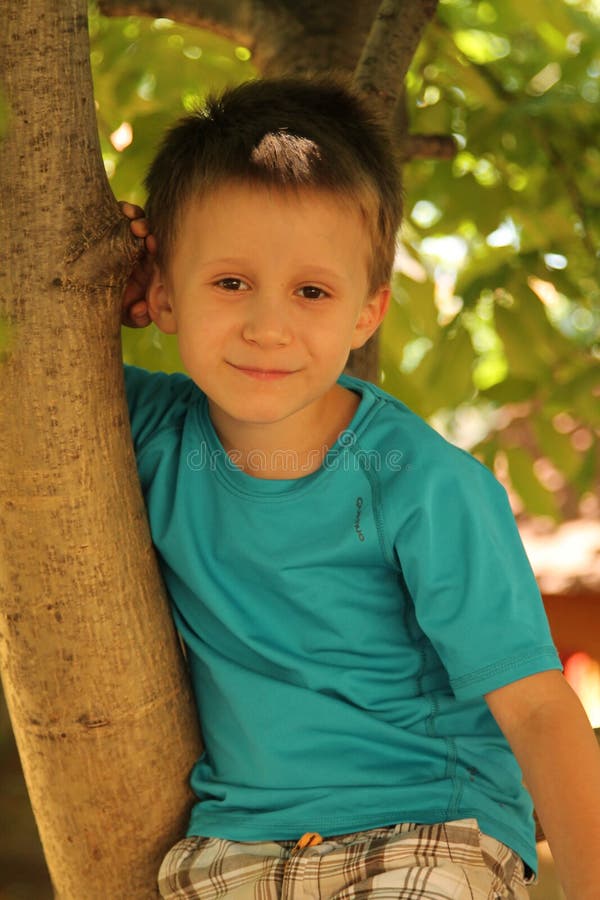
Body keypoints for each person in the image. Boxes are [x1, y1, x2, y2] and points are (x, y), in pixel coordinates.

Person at [120, 77, 600, 899]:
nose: (268, 326)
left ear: (367, 313)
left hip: (426, 831)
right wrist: (96, 281)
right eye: (230, 282)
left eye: (311, 292)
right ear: (162, 291)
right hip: (235, 847)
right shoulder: (138, 428)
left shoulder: (425, 488)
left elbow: (537, 709)